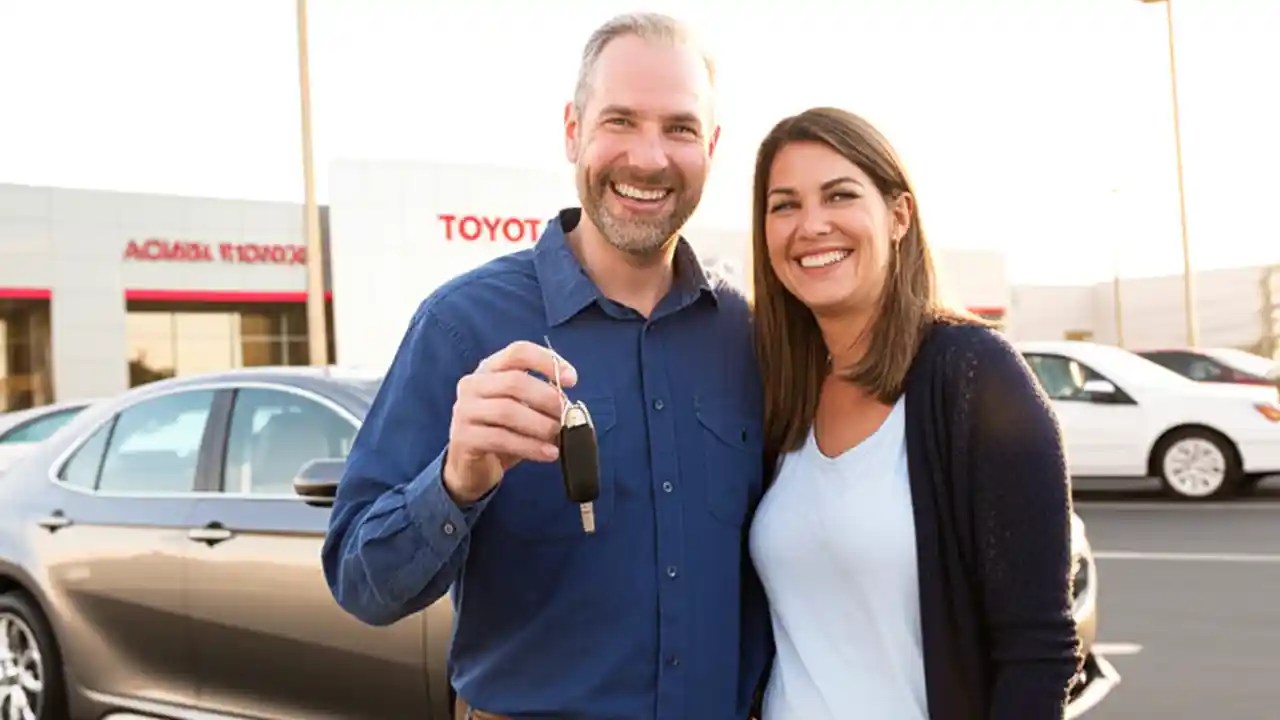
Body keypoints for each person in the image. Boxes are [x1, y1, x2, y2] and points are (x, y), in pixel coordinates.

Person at [321, 12, 771, 720]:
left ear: (711, 146)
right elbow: (360, 583)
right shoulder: (461, 327)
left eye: (680, 128)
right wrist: (454, 482)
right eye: (620, 120)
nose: (649, 158)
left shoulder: (749, 337)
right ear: (572, 131)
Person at [745, 107, 1082, 720]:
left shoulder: (974, 376)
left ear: (898, 215)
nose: (811, 225)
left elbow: (1039, 650)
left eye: (839, 195)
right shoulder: (780, 393)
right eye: (785, 204)